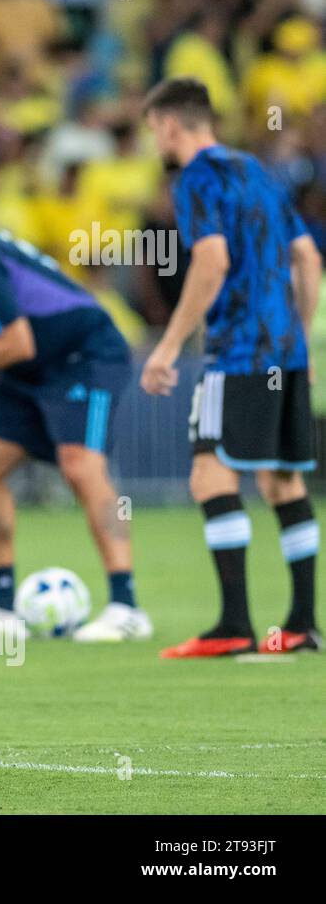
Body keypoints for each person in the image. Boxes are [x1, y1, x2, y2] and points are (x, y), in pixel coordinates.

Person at [0, 179, 151, 642]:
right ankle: (1, 609)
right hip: (33, 369)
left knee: (81, 466)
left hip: (84, 356)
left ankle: (127, 606)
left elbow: (15, 340)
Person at [140, 77, 323, 657]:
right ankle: (300, 624)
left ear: (170, 125)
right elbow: (307, 255)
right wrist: (301, 339)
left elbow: (212, 260)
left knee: (210, 474)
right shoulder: (257, 170)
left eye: (153, 131)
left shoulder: (196, 176)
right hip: (286, 351)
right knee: (282, 480)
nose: (156, 143)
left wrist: (169, 346)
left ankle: (235, 625)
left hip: (239, 351)